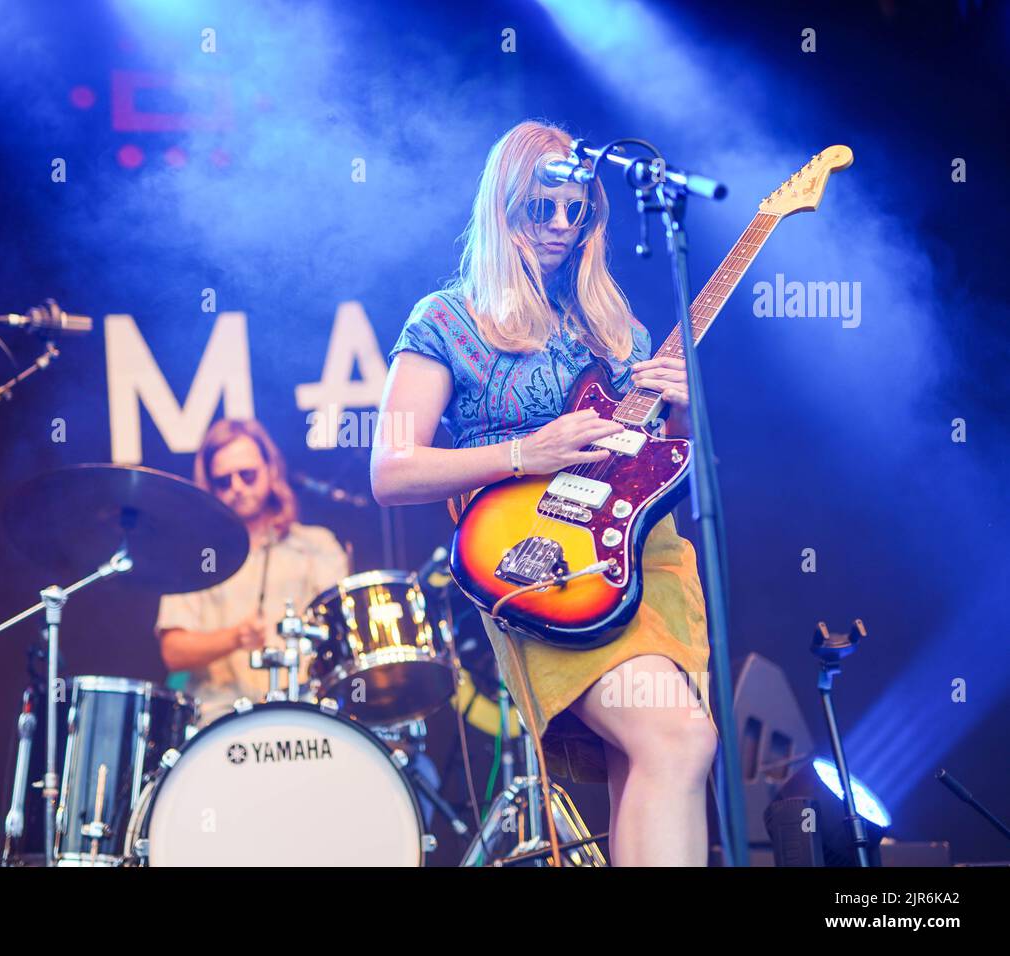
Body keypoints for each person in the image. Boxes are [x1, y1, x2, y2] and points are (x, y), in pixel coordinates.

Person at [370, 119, 717, 866]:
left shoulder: (614, 326)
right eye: (540, 208)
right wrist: (527, 452)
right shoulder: (445, 319)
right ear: (503, 209)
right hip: (539, 568)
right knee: (681, 739)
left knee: (652, 765)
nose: (561, 226)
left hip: (647, 563)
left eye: (577, 210)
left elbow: (651, 474)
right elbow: (390, 469)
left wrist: (682, 408)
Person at [155, 418, 350, 723]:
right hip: (218, 719)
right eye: (223, 481)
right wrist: (233, 638)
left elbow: (344, 633)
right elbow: (173, 653)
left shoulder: (317, 545)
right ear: (209, 486)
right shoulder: (193, 555)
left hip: (305, 713)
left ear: (271, 471)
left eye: (247, 475)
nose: (237, 488)